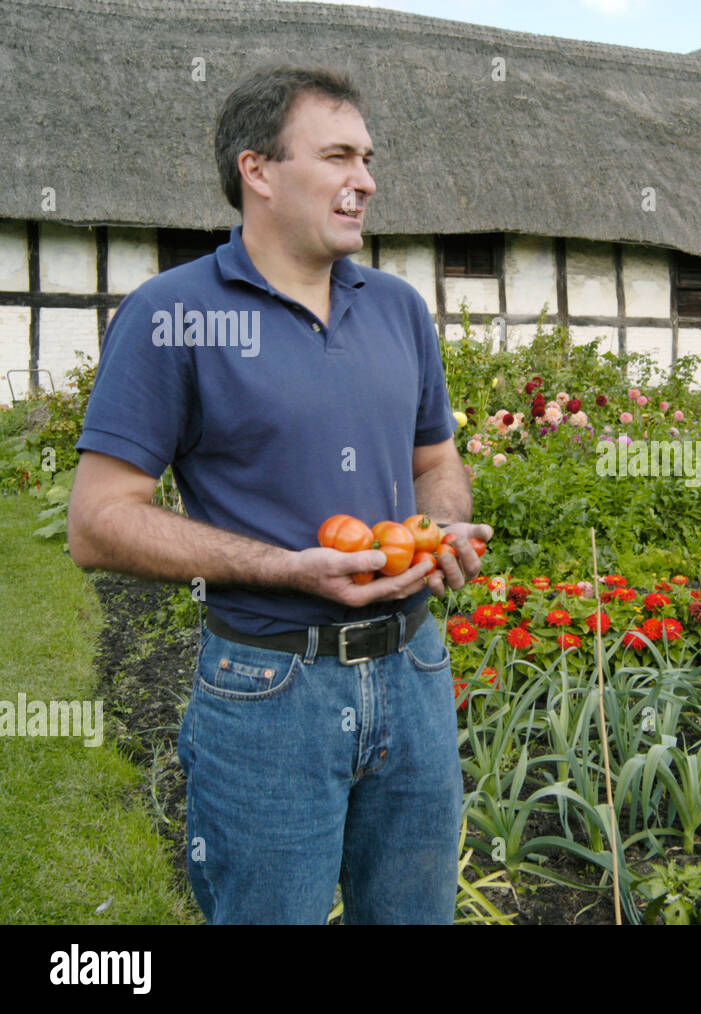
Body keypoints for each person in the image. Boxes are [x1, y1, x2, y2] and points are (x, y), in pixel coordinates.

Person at [66, 66, 490, 924]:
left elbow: (436, 459)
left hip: (413, 669)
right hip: (270, 688)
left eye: (368, 158)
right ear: (257, 170)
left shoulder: (399, 309)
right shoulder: (170, 314)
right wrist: (290, 569)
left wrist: (440, 528)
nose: (366, 180)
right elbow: (97, 524)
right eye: (338, 156)